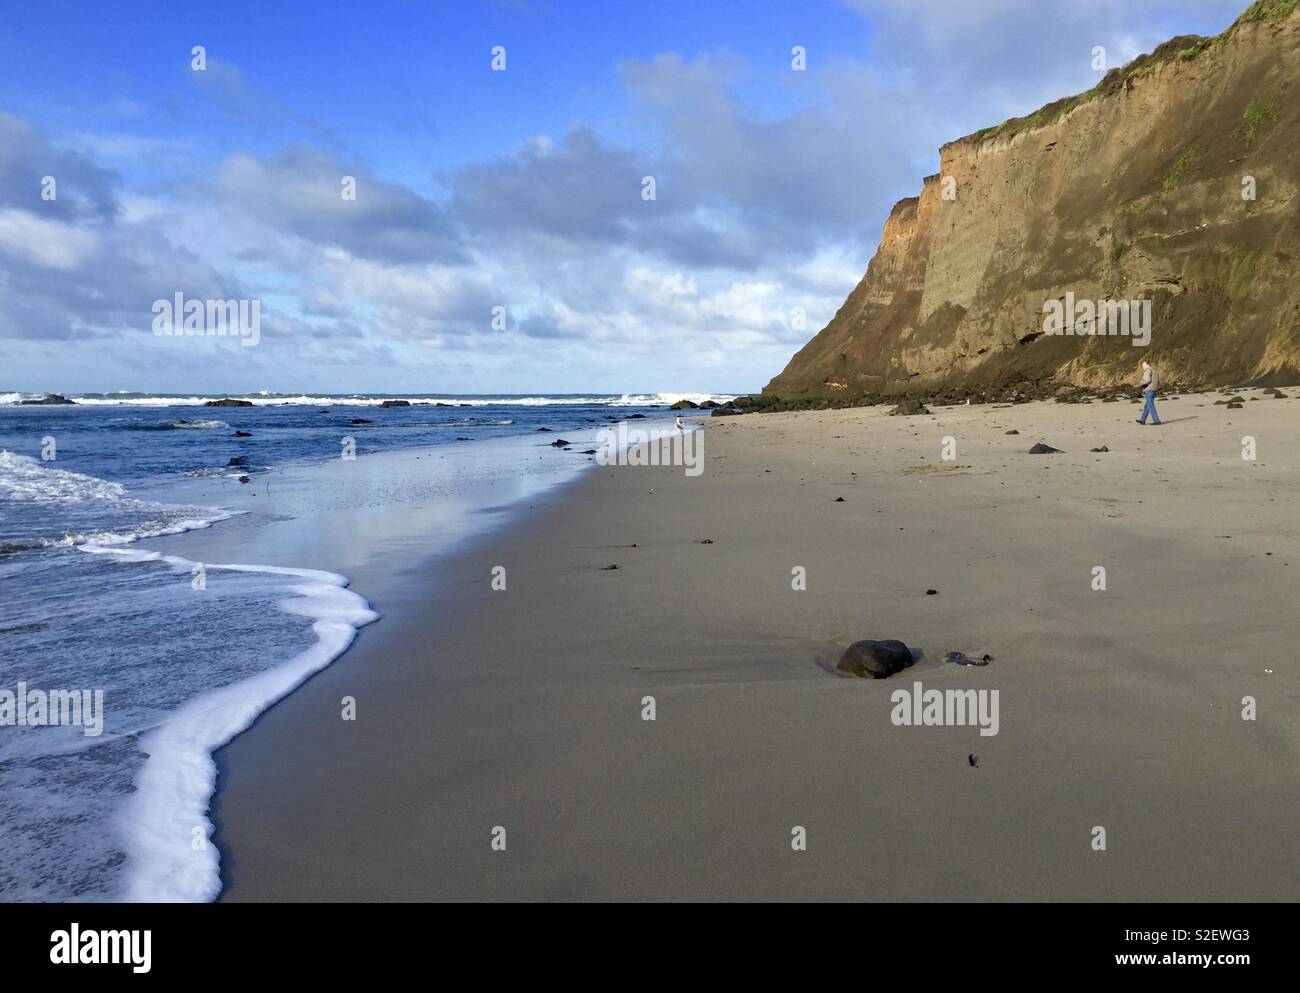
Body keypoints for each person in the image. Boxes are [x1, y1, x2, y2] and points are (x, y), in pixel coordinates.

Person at [1137, 360, 1161, 425]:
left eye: (1143, 365)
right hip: (1154, 389)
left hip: (1149, 390)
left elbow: (1147, 380)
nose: (1143, 367)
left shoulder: (1148, 370)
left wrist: (1141, 383)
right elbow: (1157, 381)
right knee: (1147, 406)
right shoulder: (1154, 370)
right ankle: (1143, 420)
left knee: (1150, 405)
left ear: (1147, 364)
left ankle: (1156, 420)